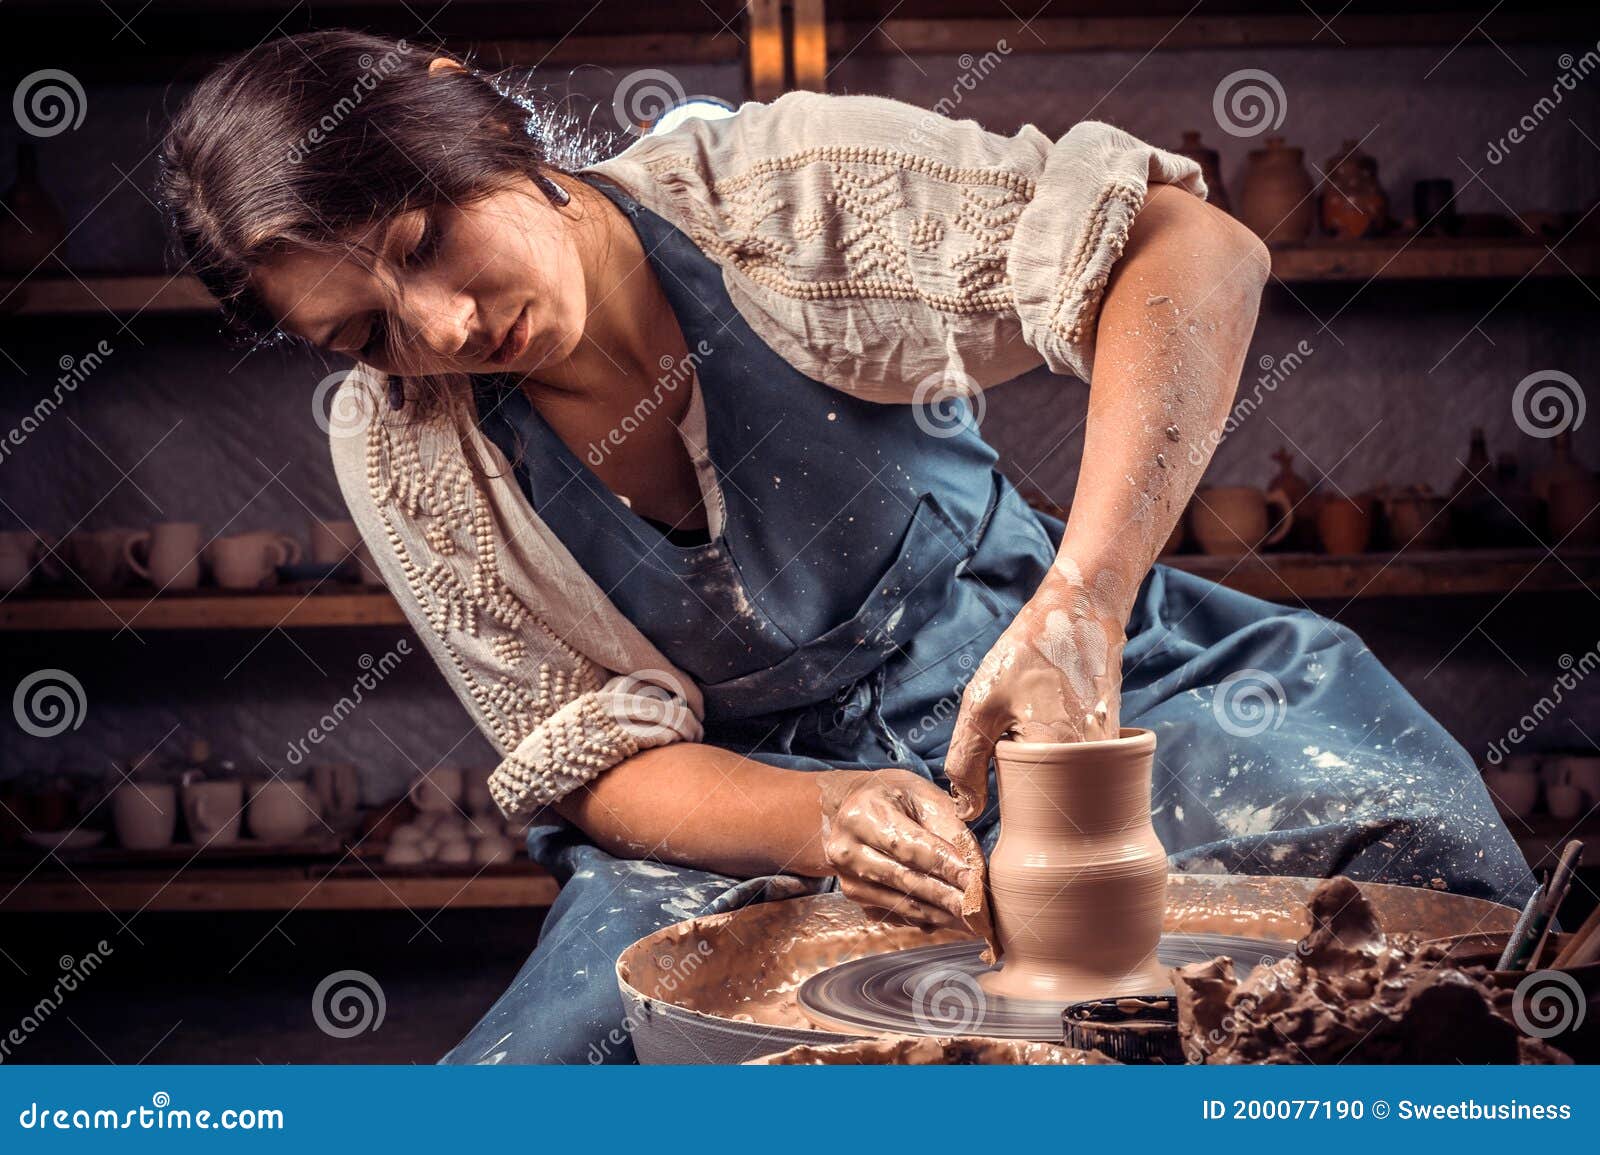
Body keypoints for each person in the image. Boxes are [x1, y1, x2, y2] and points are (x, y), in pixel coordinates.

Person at [157, 30, 1531, 1064]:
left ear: (479, 127)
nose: (441, 329)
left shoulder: (775, 193)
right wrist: (815, 819)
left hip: (1065, 676)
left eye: (428, 239)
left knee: (1395, 901)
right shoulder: (401, 435)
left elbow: (1191, 246)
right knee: (569, 1073)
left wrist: (1086, 604)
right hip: (747, 797)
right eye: (366, 330)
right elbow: (596, 752)